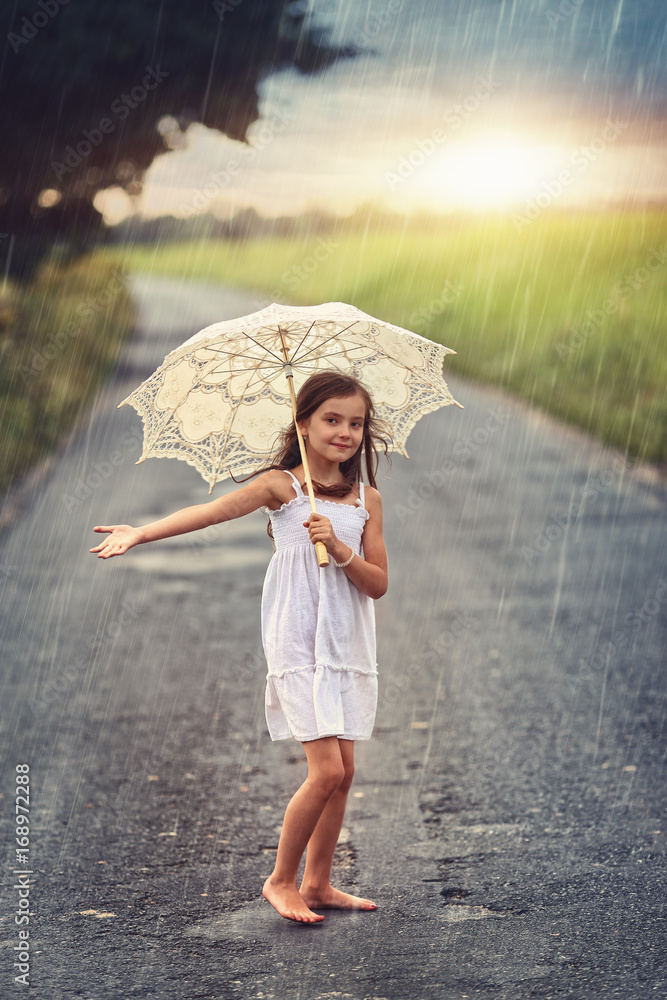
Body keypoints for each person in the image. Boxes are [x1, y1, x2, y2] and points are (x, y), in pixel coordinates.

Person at [90, 370, 391, 924]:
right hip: (298, 641)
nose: (345, 432)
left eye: (355, 423)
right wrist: (142, 532)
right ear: (303, 424)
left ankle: (319, 882)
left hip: (346, 643)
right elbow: (210, 513)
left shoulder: (366, 499)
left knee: (345, 772)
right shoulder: (283, 486)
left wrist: (341, 549)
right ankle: (280, 881)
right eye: (331, 420)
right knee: (324, 772)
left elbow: (378, 584)